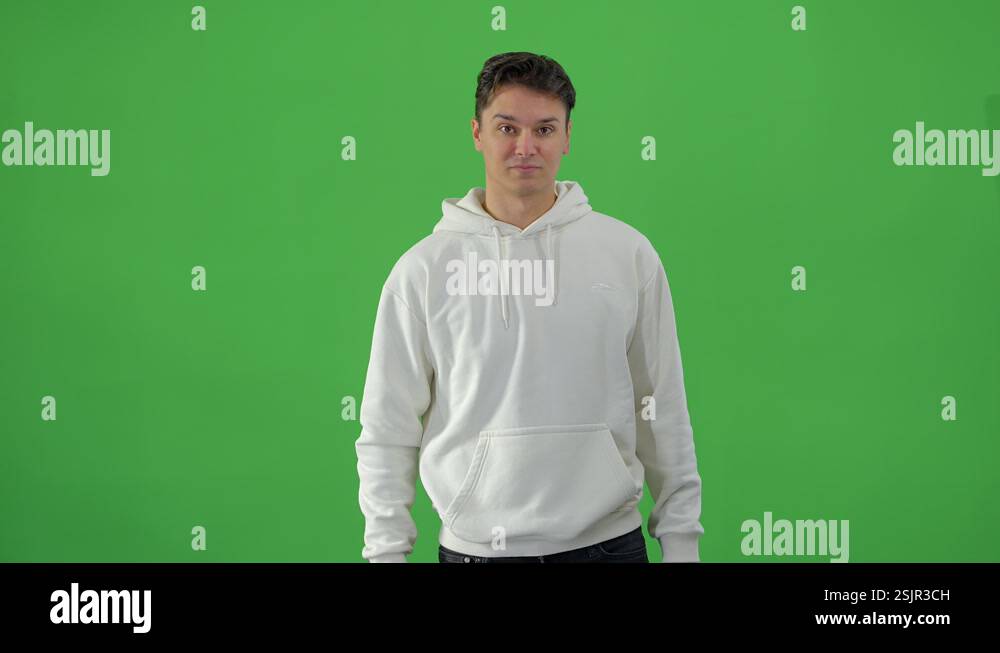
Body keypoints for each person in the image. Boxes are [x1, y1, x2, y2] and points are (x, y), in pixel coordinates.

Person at [355, 51, 703, 563]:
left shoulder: (626, 254)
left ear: (567, 137)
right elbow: (388, 427)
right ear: (477, 133)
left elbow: (662, 409)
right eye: (506, 128)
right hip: (476, 552)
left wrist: (681, 546)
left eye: (544, 129)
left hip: (608, 547)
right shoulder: (424, 270)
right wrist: (386, 554)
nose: (525, 147)